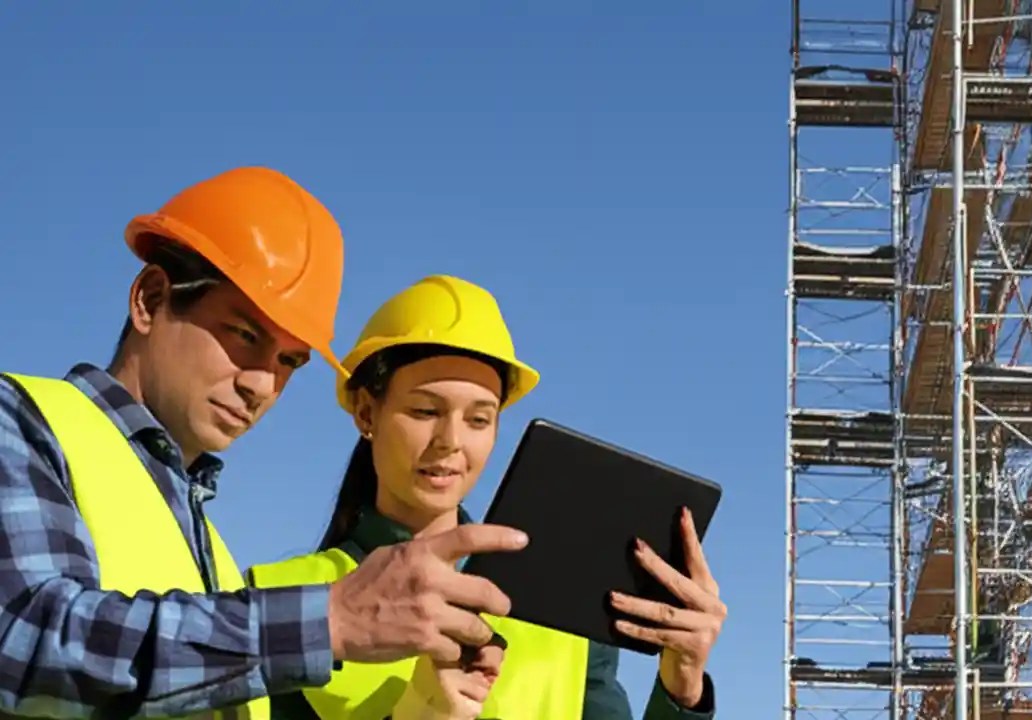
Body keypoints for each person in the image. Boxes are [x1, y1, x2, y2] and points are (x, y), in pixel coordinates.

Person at [0, 168, 531, 719]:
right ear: (151, 298)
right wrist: (330, 622)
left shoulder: (219, 567)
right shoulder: (21, 419)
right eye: (245, 335)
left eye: (288, 361)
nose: (261, 384)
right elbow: (24, 632)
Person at [248, 274, 727, 719]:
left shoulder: (565, 613)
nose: (450, 440)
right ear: (367, 413)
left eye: (478, 419)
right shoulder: (279, 603)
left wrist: (681, 690)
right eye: (423, 410)